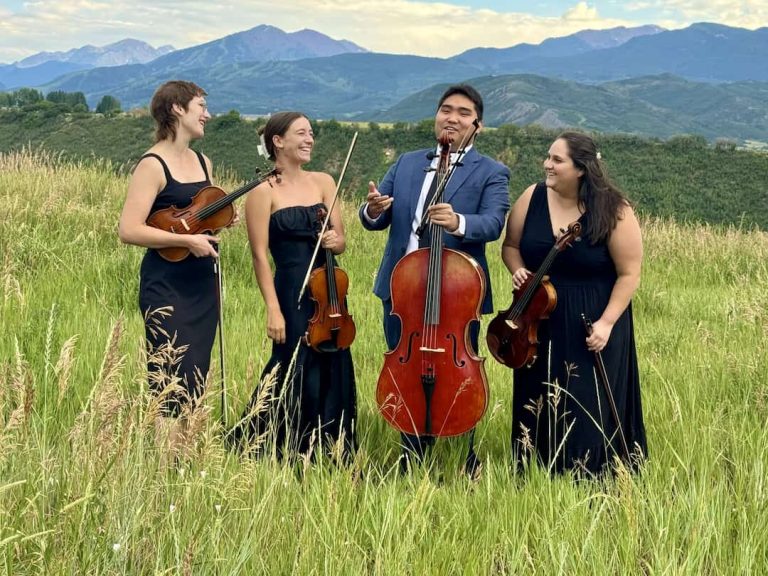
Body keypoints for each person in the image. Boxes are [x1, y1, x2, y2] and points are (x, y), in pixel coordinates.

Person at [359, 84, 510, 475]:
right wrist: (372, 209)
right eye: (446, 110)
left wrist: (459, 222)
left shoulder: (491, 171)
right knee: (403, 368)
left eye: (463, 112)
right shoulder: (408, 162)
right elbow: (377, 215)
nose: (452, 118)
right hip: (402, 290)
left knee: (460, 373)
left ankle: (462, 454)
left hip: (458, 295)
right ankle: (410, 453)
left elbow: (494, 223)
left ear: (478, 124)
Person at [501, 130, 647, 475]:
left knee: (587, 400)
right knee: (535, 393)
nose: (547, 165)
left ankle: (590, 474)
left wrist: (607, 323)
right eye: (548, 157)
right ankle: (532, 469)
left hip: (593, 318)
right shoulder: (531, 197)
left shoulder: (615, 210)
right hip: (537, 317)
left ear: (581, 168)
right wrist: (519, 271)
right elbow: (510, 246)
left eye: (557, 160)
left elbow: (629, 273)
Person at [228, 111, 357, 461]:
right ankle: (274, 444)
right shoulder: (262, 192)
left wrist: (335, 239)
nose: (310, 139)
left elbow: (341, 240)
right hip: (290, 287)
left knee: (333, 356)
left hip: (327, 285)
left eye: (312, 132)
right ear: (278, 141)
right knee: (292, 360)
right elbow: (259, 257)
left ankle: (331, 447)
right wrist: (273, 308)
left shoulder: (324, 182)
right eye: (301, 133)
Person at [118, 80, 220, 458]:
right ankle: (163, 469)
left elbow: (198, 219)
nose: (207, 114)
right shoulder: (152, 164)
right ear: (177, 109)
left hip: (201, 284)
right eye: (200, 105)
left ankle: (185, 463)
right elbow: (129, 229)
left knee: (195, 375)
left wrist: (221, 221)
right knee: (168, 377)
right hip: (166, 284)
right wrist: (185, 242)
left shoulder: (203, 162)